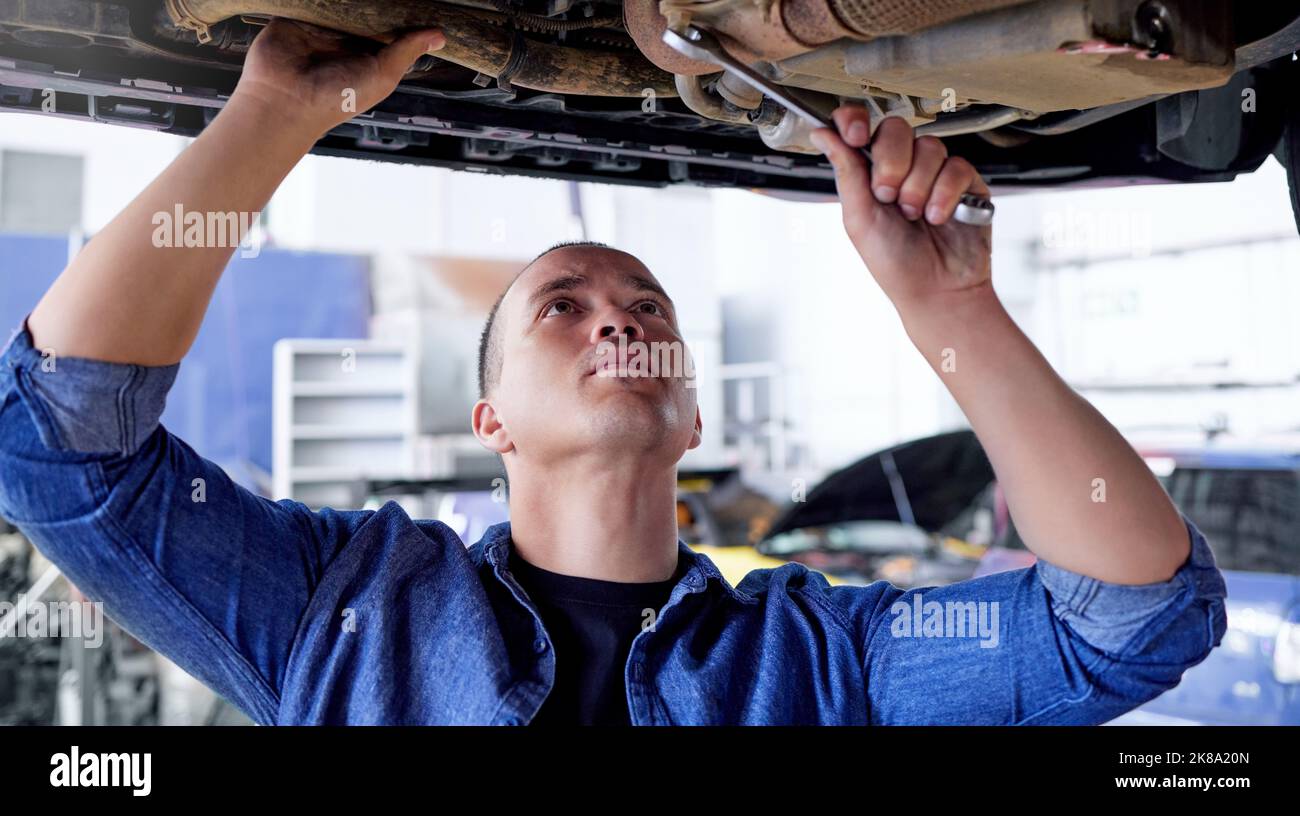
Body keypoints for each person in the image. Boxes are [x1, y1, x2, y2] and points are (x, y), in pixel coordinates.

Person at [0, 18, 1225, 725]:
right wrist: (271, 114)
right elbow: (57, 444)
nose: (617, 320)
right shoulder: (341, 610)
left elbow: (1130, 616)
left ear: (689, 415)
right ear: (492, 419)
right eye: (563, 306)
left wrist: (951, 307)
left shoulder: (819, 660)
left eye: (646, 306)